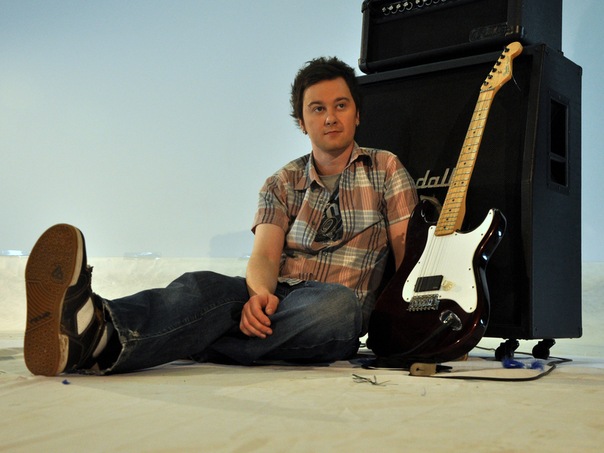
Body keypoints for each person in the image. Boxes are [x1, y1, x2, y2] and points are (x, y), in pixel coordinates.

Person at [24, 57, 418, 376]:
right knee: (203, 287)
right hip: (274, 297)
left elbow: (406, 256)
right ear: (302, 122)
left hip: (330, 311)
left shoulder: (385, 169)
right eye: (318, 109)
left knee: (337, 306)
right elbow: (265, 256)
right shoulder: (282, 182)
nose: (330, 117)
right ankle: (97, 327)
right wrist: (259, 298)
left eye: (340, 105)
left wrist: (408, 326)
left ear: (357, 114)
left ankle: (175, 338)